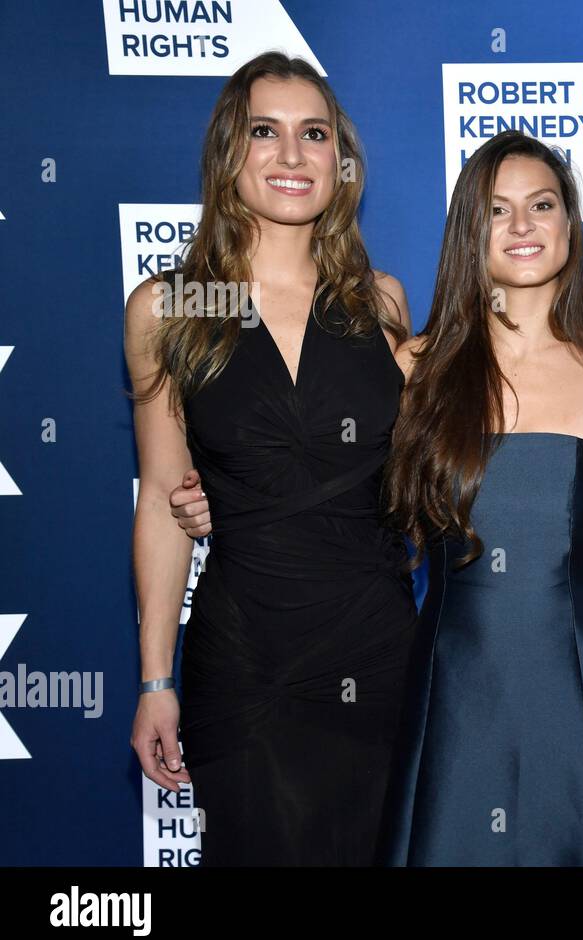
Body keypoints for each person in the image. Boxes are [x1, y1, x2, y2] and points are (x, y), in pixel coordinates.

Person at [127, 53, 419, 865]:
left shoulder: (381, 303)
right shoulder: (168, 308)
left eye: (313, 135)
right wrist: (156, 681)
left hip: (376, 652)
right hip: (245, 654)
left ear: (341, 161)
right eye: (266, 132)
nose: (292, 156)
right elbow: (160, 499)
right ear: (229, 153)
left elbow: (419, 479)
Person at [374, 131, 583, 865]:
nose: (522, 226)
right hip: (456, 681)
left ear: (569, 226)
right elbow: (367, 517)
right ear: (467, 232)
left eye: (541, 205)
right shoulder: (414, 369)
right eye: (497, 210)